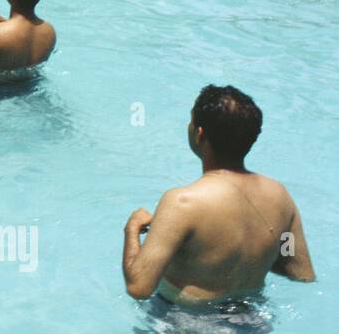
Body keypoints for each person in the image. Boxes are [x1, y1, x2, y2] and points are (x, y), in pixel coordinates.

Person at [122, 85, 314, 307]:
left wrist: (132, 230)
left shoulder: (183, 203)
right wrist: (255, 251)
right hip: (250, 320)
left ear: (199, 133)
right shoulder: (280, 197)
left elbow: (139, 287)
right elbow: (299, 271)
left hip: (184, 326)